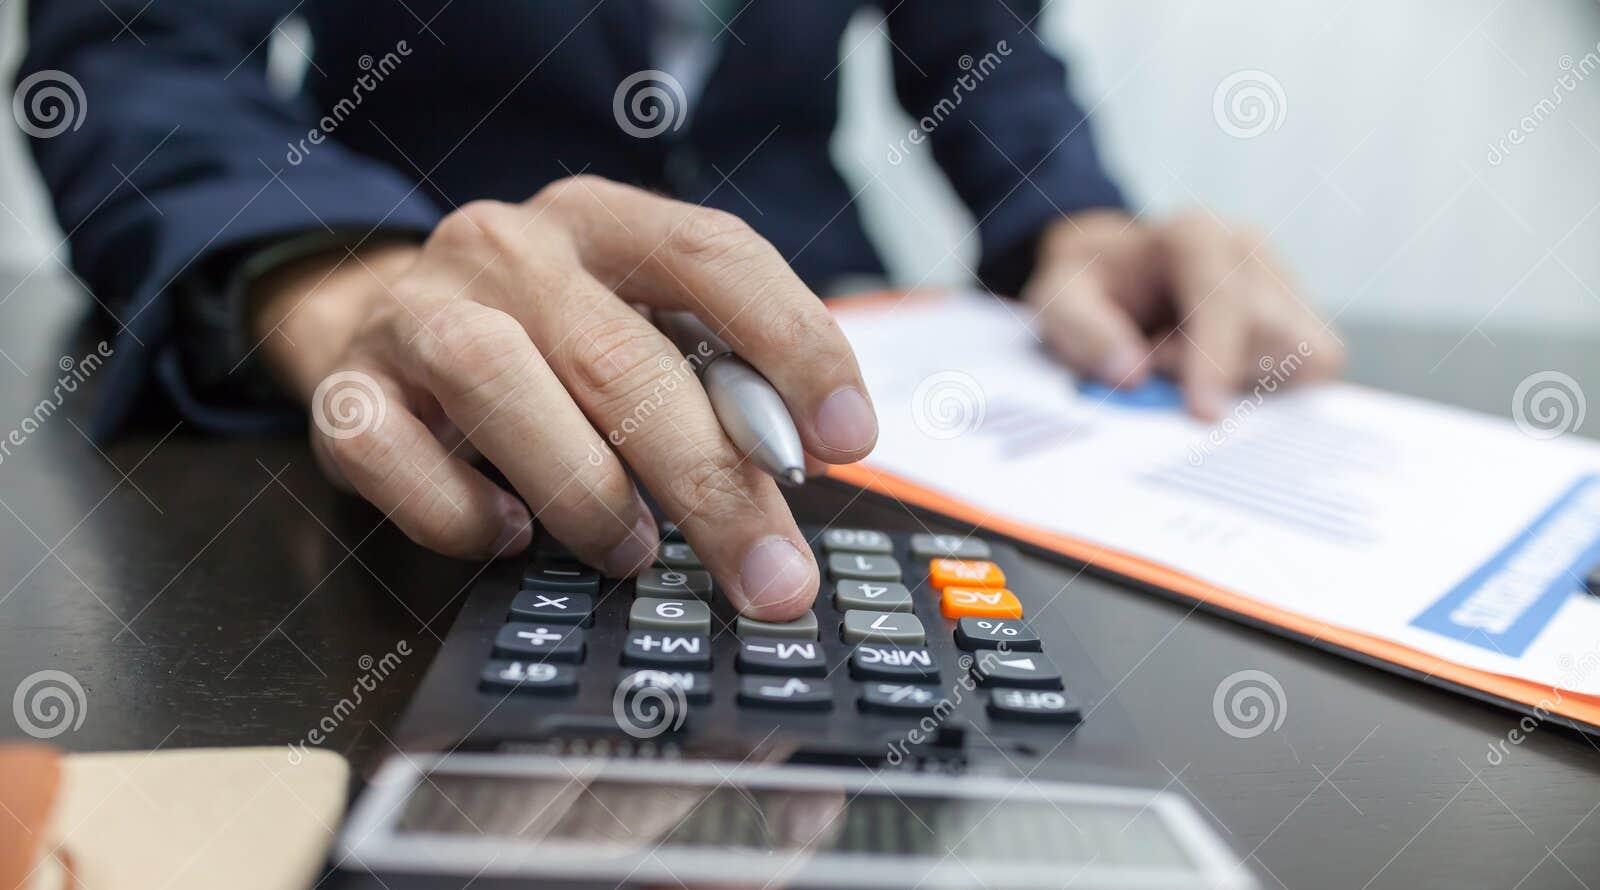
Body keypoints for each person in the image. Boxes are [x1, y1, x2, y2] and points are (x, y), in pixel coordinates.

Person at [19, 0, 1339, 620]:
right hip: (445, 364)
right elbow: (139, 51)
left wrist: (1075, 216)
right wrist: (336, 274)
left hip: (843, 366)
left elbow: (985, 46)